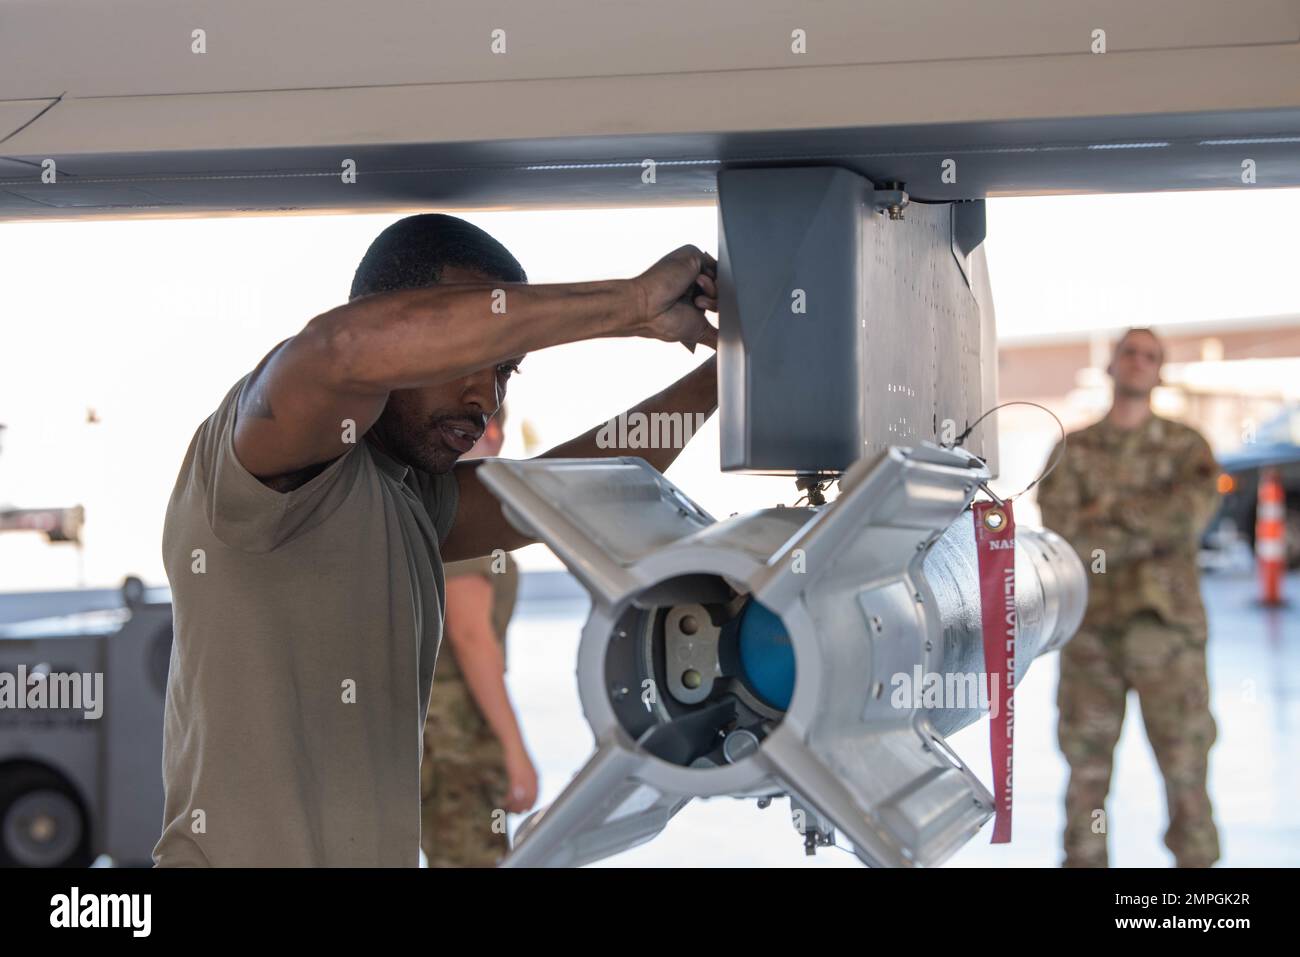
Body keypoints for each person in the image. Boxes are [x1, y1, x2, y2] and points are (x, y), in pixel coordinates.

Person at [155, 214, 719, 866]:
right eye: (462, 358)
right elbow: (341, 350)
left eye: (505, 369)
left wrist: (726, 372)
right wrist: (631, 303)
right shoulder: (263, 461)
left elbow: (577, 490)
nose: (486, 395)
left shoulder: (407, 496)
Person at [1037, 326, 1221, 868]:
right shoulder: (1073, 449)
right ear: (1112, 365)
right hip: (1092, 636)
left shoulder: (1188, 448)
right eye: (1129, 354)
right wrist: (1145, 522)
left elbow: (1186, 519)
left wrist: (1109, 521)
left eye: (1150, 356)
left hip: (1169, 639)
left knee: (1186, 768)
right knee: (1086, 773)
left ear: (1159, 371)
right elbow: (1065, 536)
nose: (1139, 363)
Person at [420, 403, 531, 867]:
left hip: (444, 736)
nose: (487, 437)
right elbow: (471, 640)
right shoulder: (459, 519)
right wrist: (515, 750)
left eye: (492, 425)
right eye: (472, 427)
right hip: (454, 740)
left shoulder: (447, 508)